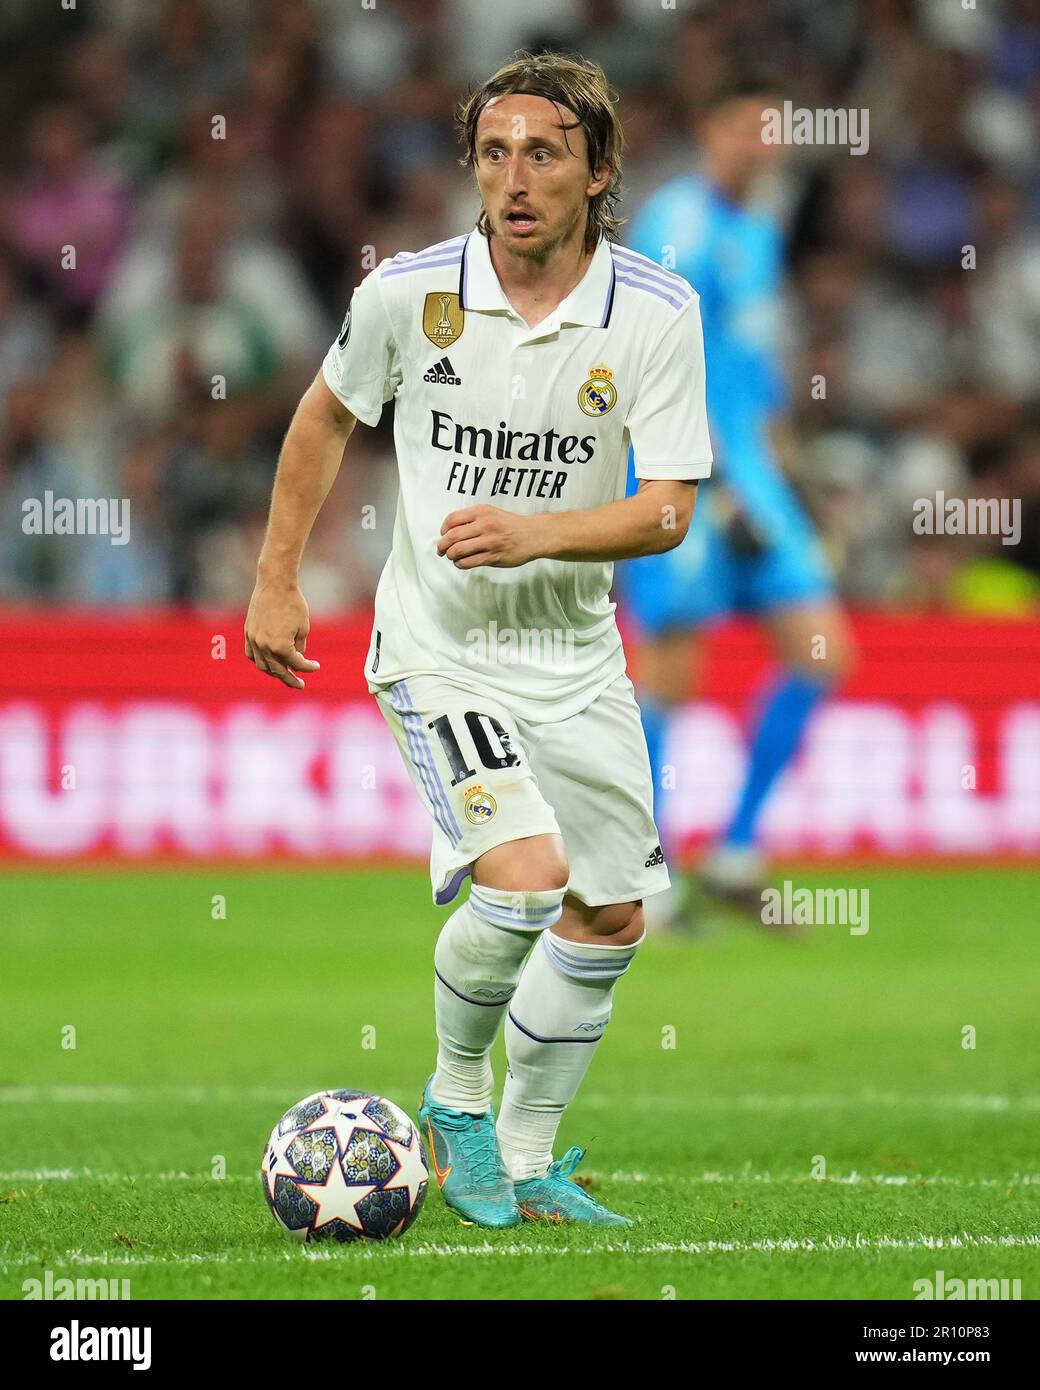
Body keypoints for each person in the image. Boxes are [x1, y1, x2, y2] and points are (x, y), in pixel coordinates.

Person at [244, 54, 712, 1228]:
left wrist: (537, 533)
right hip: (437, 649)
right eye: (493, 153)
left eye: (542, 153)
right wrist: (275, 579)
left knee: (607, 915)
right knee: (524, 880)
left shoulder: (654, 312)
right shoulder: (408, 293)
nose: (513, 177)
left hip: (576, 657)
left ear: (596, 172)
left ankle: (525, 1150)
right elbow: (323, 414)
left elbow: (666, 510)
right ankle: (453, 1101)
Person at [621, 78, 854, 924]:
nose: (763, 141)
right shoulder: (677, 222)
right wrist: (710, 488)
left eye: (776, 127)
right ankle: (649, 874)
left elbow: (749, 373)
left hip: (754, 477)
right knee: (673, 672)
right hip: (679, 475)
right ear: (708, 127)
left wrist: (783, 479)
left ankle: (734, 851)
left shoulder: (758, 234)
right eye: (747, 123)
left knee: (825, 654)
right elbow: (648, 357)